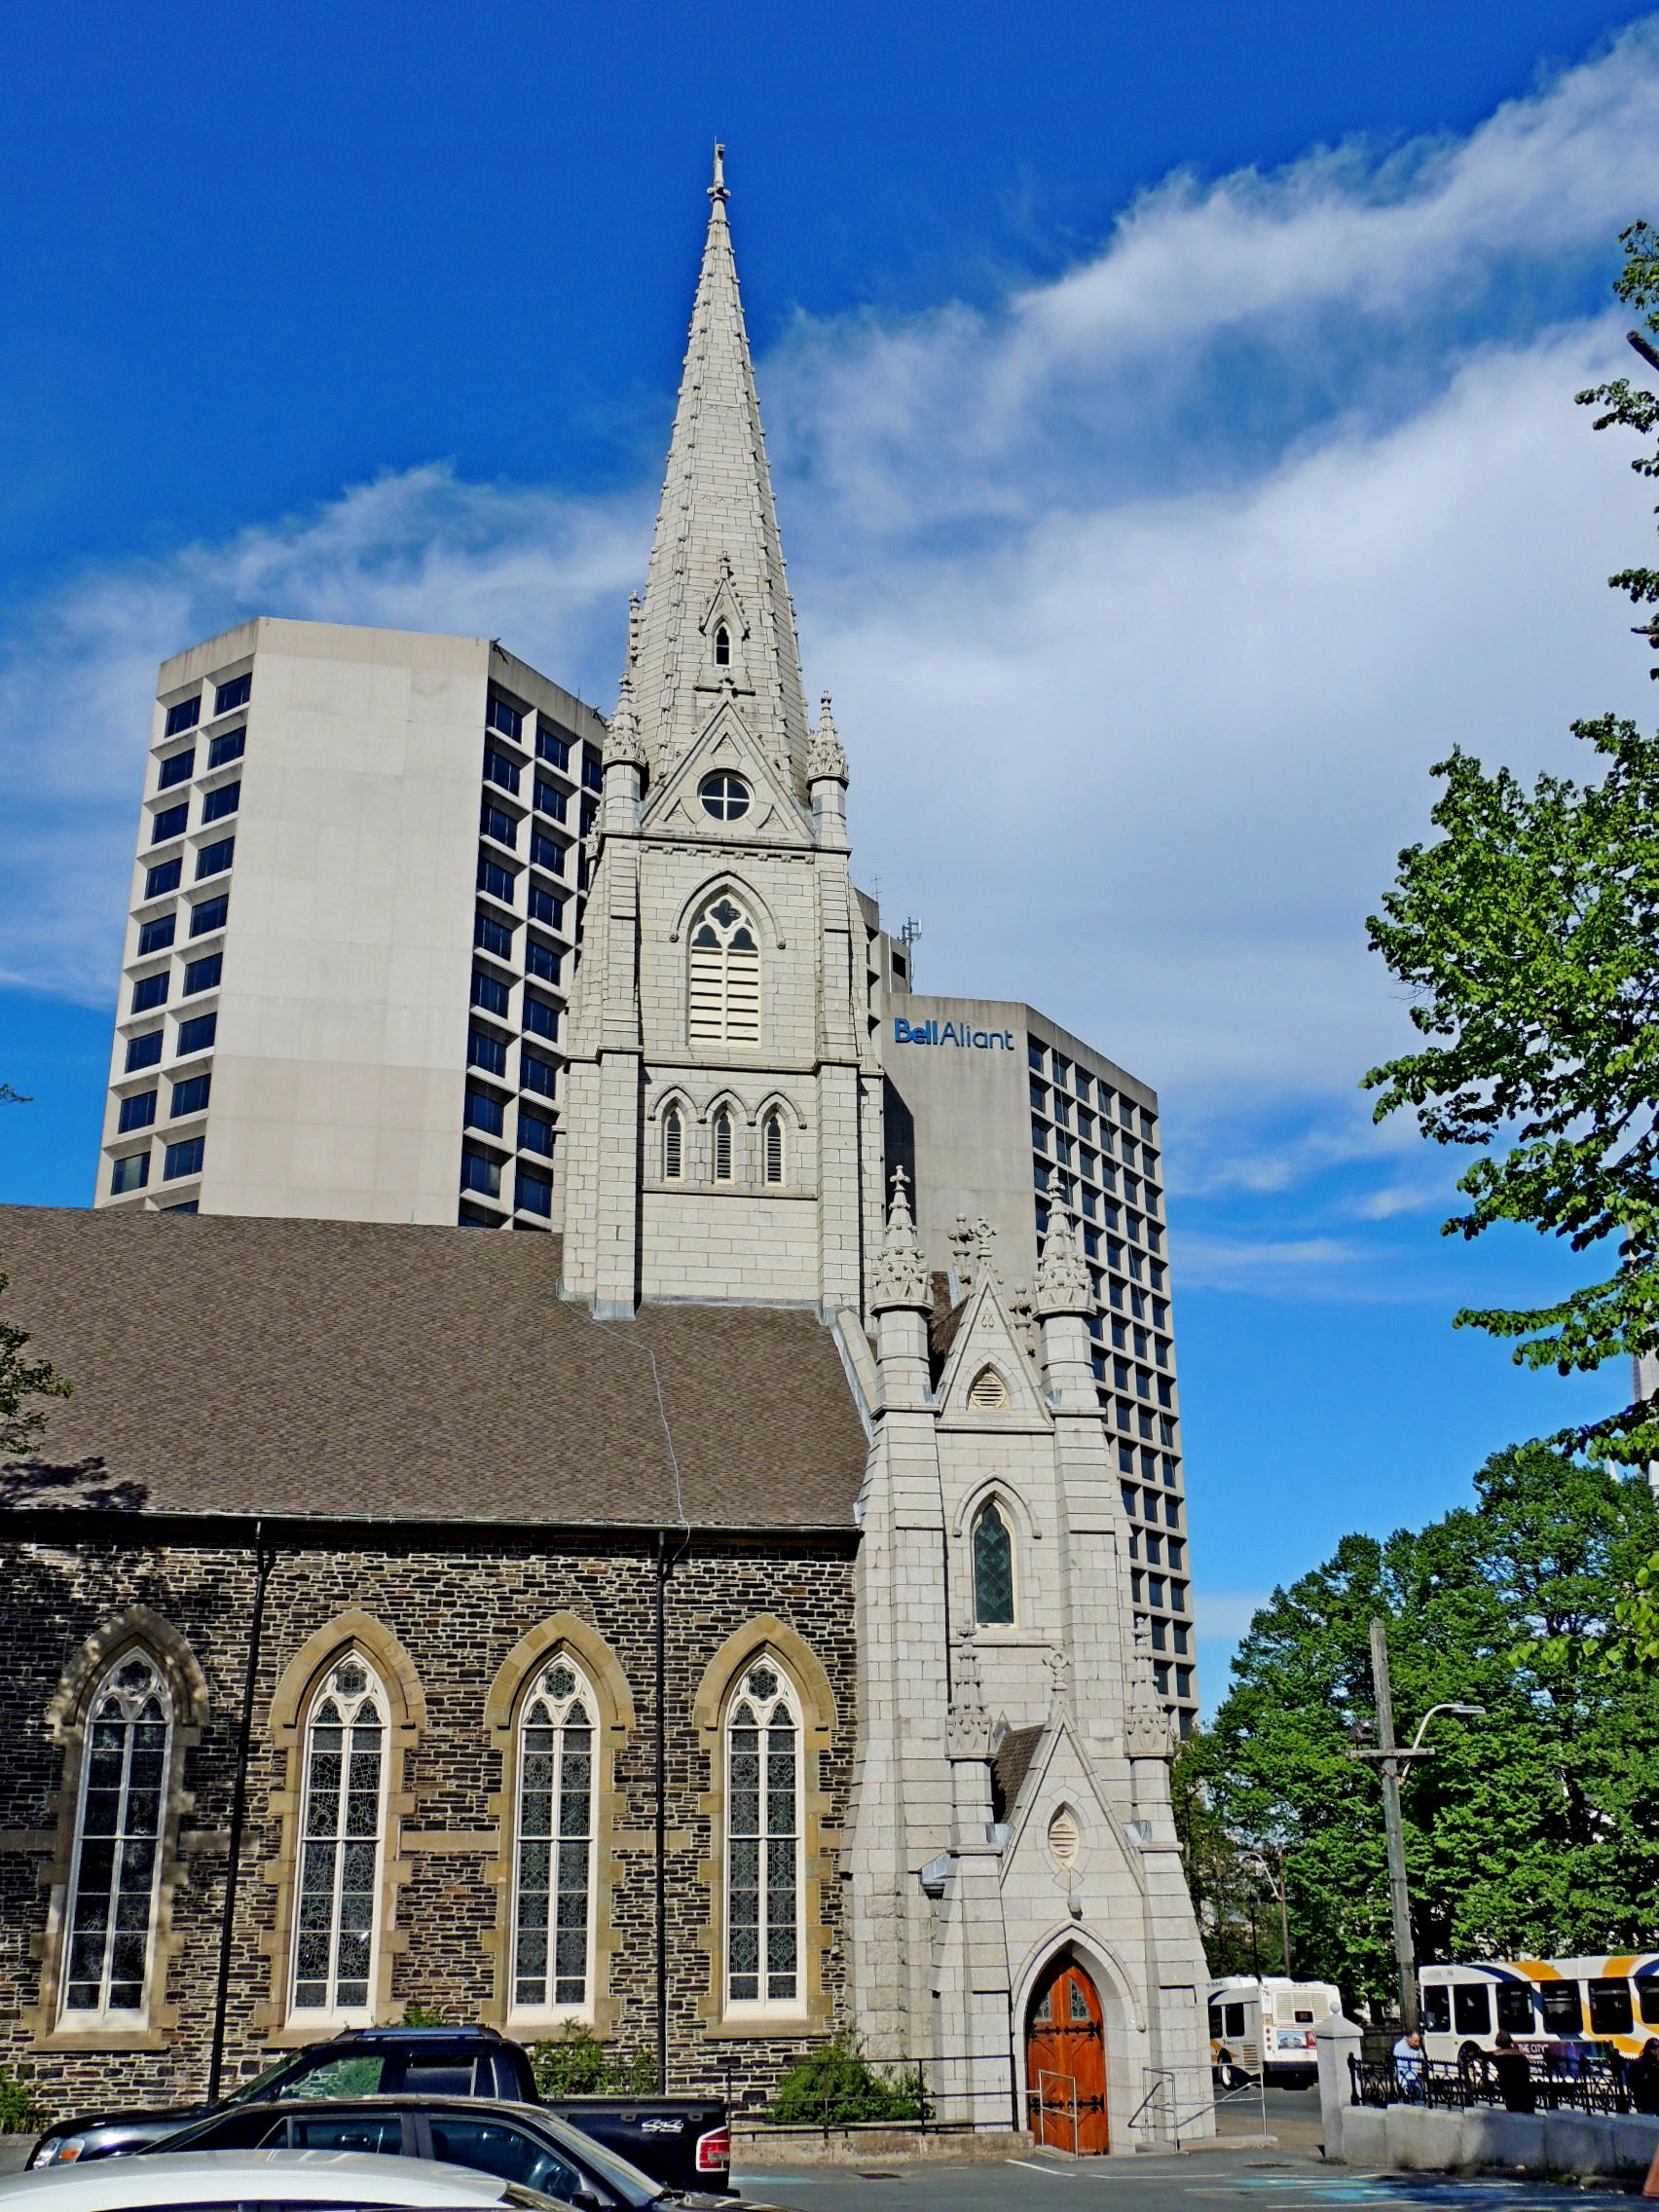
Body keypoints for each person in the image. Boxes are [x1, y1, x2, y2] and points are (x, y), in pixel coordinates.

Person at [1492, 2029, 1534, 2114]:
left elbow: (1486, 2056)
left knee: (1513, 2111)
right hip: (1524, 2088)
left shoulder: (1498, 2056)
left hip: (1509, 2089)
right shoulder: (1519, 2055)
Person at [1393, 2028, 1426, 2102]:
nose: (1417, 2043)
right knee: (1407, 2101)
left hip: (1416, 2077)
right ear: (1409, 2038)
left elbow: (1421, 2057)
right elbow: (1400, 2068)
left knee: (1419, 2099)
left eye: (1418, 2041)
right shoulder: (1399, 2047)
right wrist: (1404, 2085)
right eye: (1415, 2041)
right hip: (1405, 2078)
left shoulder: (1417, 2047)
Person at [1629, 2038, 1659, 2116]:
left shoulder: (1656, 2063)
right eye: (1655, 2048)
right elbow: (1632, 2083)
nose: (1657, 2050)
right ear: (1649, 2049)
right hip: (1646, 2101)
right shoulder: (1639, 2064)